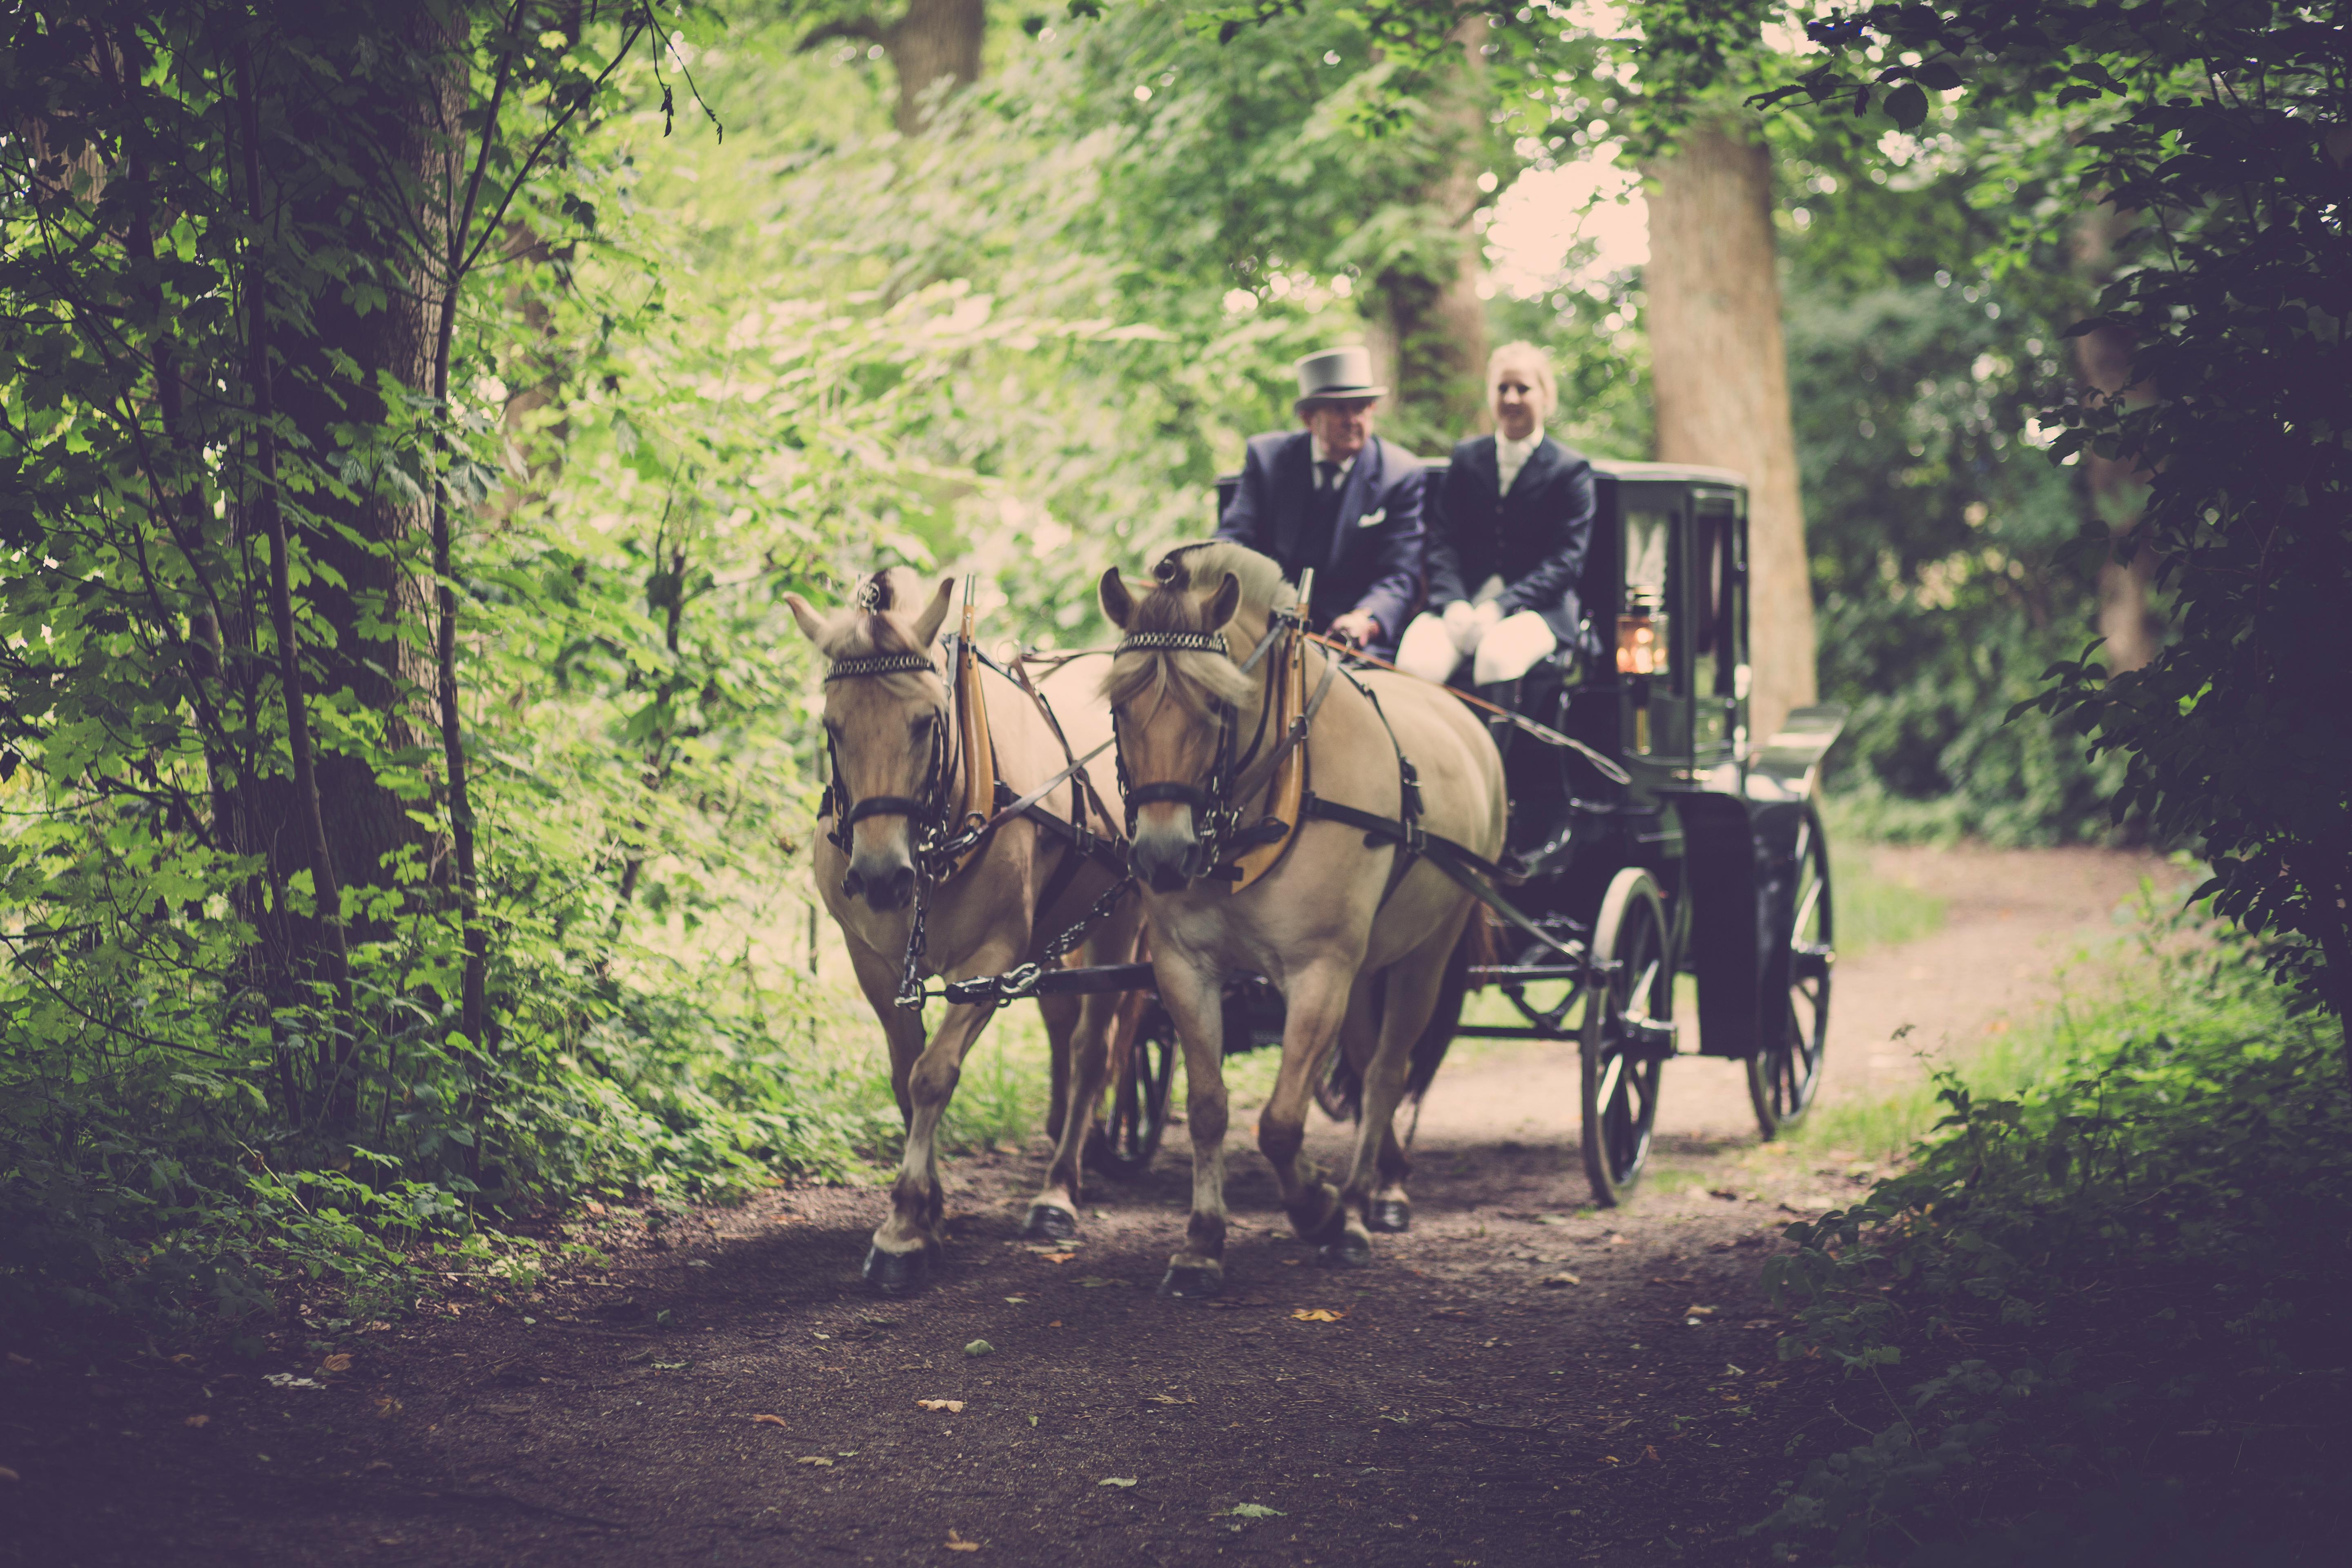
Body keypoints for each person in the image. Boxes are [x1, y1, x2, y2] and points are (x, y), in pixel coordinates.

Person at [1396, 342, 1598, 688]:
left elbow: (1566, 561)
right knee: (1417, 661)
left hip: (1540, 610)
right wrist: (1454, 602)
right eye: (1502, 388)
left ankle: (1495, 744)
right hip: (1464, 601)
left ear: (1546, 397)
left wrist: (1501, 606)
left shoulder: (1571, 470)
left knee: (1498, 656)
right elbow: (1442, 541)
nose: (1511, 398)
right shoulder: (1466, 458)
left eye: (1523, 388)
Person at [1214, 346, 1425, 660]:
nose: (1353, 420)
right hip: (1268, 625)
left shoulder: (1400, 474)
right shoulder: (1268, 460)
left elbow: (1400, 574)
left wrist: (1365, 619)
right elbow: (1233, 542)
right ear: (1308, 419)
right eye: (1341, 410)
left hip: (1349, 639)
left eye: (1362, 408)